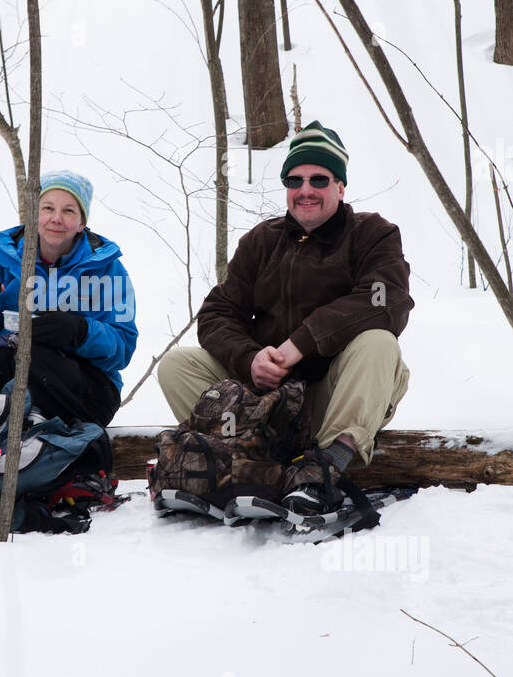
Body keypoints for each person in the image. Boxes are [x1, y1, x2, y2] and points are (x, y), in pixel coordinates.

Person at [158, 122, 413, 516]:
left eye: (319, 179)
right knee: (176, 365)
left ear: (340, 187)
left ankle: (324, 471)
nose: (305, 189)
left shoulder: (372, 234)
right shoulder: (262, 241)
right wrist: (250, 359)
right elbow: (218, 312)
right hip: (268, 408)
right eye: (295, 180)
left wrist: (299, 344)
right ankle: (243, 461)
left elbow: (386, 300)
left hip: (334, 397)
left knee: (379, 342)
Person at [0, 170, 137, 428]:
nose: (56, 218)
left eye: (69, 211)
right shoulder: (6, 259)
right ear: (34, 214)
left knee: (36, 356)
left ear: (82, 223)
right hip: (11, 379)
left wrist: (80, 332)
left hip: (87, 390)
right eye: (48, 208)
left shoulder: (107, 269)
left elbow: (123, 350)